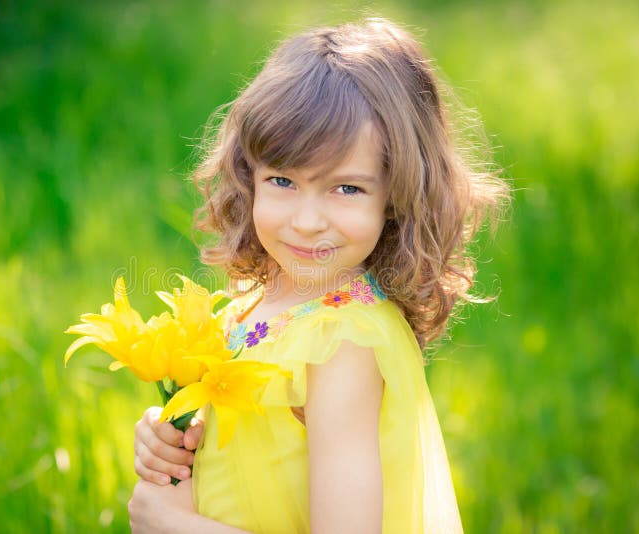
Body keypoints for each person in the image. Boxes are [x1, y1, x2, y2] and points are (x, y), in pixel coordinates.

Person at [128, 17, 508, 533]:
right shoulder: (259, 296)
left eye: (346, 189)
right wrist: (174, 437)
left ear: (397, 194)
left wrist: (175, 526)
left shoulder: (342, 345)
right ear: (249, 174)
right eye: (282, 180)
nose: (307, 222)